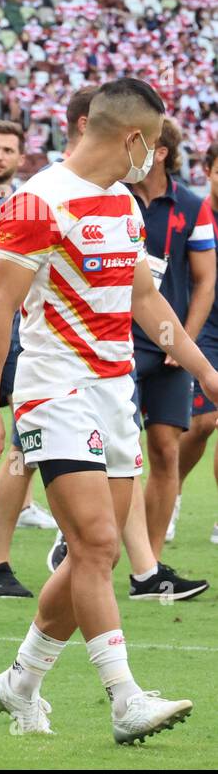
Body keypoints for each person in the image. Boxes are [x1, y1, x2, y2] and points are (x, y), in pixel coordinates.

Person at [0, 78, 211, 744]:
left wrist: (206, 371)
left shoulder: (124, 207)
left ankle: (20, 680)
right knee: (100, 544)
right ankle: (125, 698)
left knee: (86, 556)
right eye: (156, 143)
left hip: (114, 398)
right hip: (56, 394)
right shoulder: (38, 202)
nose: (158, 156)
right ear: (135, 138)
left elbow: (147, 304)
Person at [0, 120, 57, 600]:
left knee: (19, 427)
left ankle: (21, 516)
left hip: (12, 329)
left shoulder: (27, 203)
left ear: (21, 159)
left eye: (7, 150)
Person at [127, 116, 215, 561]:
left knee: (164, 451)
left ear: (160, 152)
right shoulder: (112, 196)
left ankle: (151, 564)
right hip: (114, 344)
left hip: (169, 350)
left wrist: (186, 343)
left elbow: (205, 280)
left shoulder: (192, 205)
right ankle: (83, 538)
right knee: (112, 454)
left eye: (139, 142)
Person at [175, 141, 218, 542]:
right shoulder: (197, 213)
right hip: (203, 329)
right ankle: (172, 493)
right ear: (208, 171)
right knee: (202, 423)